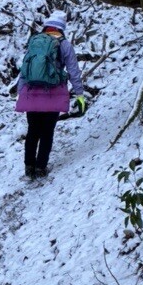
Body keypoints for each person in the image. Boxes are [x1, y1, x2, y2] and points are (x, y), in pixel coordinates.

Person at [15, 11, 87, 179]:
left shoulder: (35, 43)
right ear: (62, 28)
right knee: (47, 131)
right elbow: (74, 72)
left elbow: (24, 71)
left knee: (33, 131)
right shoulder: (65, 45)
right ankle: (41, 167)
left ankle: (29, 166)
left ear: (46, 26)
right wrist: (80, 95)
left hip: (31, 93)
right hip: (54, 94)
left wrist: (21, 92)